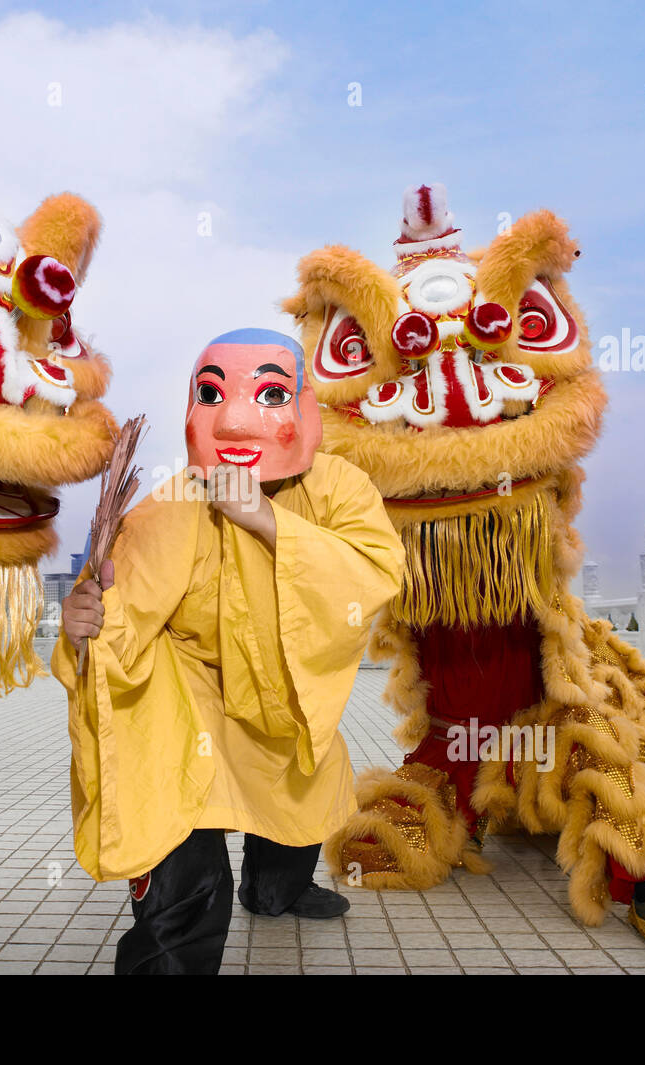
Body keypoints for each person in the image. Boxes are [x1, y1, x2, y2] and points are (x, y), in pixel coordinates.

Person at [52, 328, 404, 974]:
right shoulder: (174, 504)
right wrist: (88, 622)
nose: (237, 417)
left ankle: (278, 885)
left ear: (304, 410)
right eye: (213, 394)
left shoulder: (338, 488)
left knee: (296, 791)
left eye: (269, 393)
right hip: (189, 704)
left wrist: (267, 522)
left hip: (284, 693)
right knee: (182, 871)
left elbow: (375, 569)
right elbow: (120, 600)